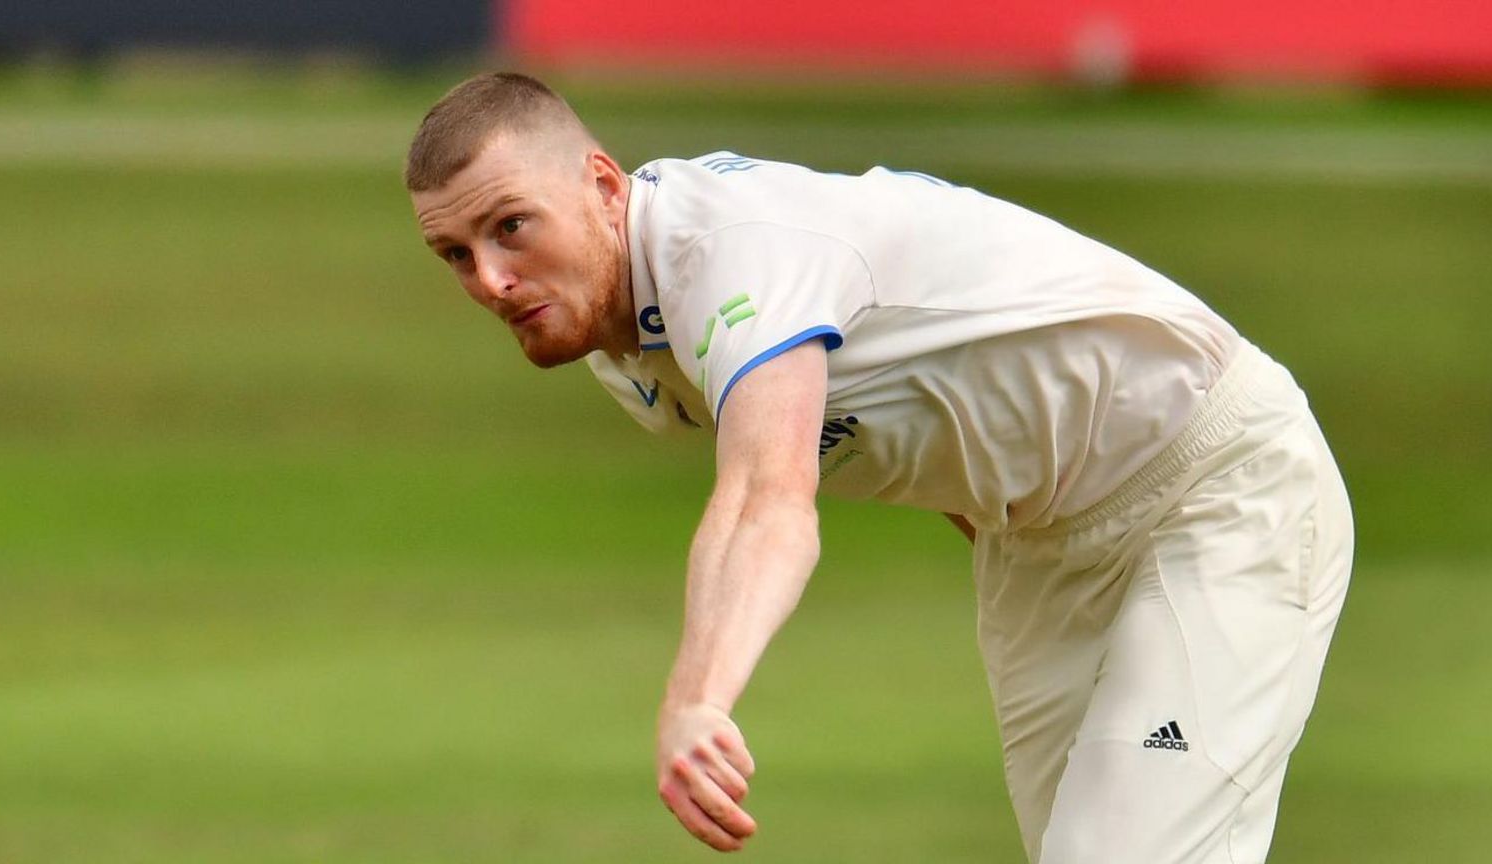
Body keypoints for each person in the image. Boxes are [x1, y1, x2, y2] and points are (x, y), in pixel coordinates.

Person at [405, 71, 1353, 864]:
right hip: (1040, 549)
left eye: (510, 226)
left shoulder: (729, 255)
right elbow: (920, 411)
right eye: (455, 253)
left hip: (1211, 482)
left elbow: (768, 499)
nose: (490, 280)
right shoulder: (622, 351)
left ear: (604, 186)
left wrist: (697, 701)